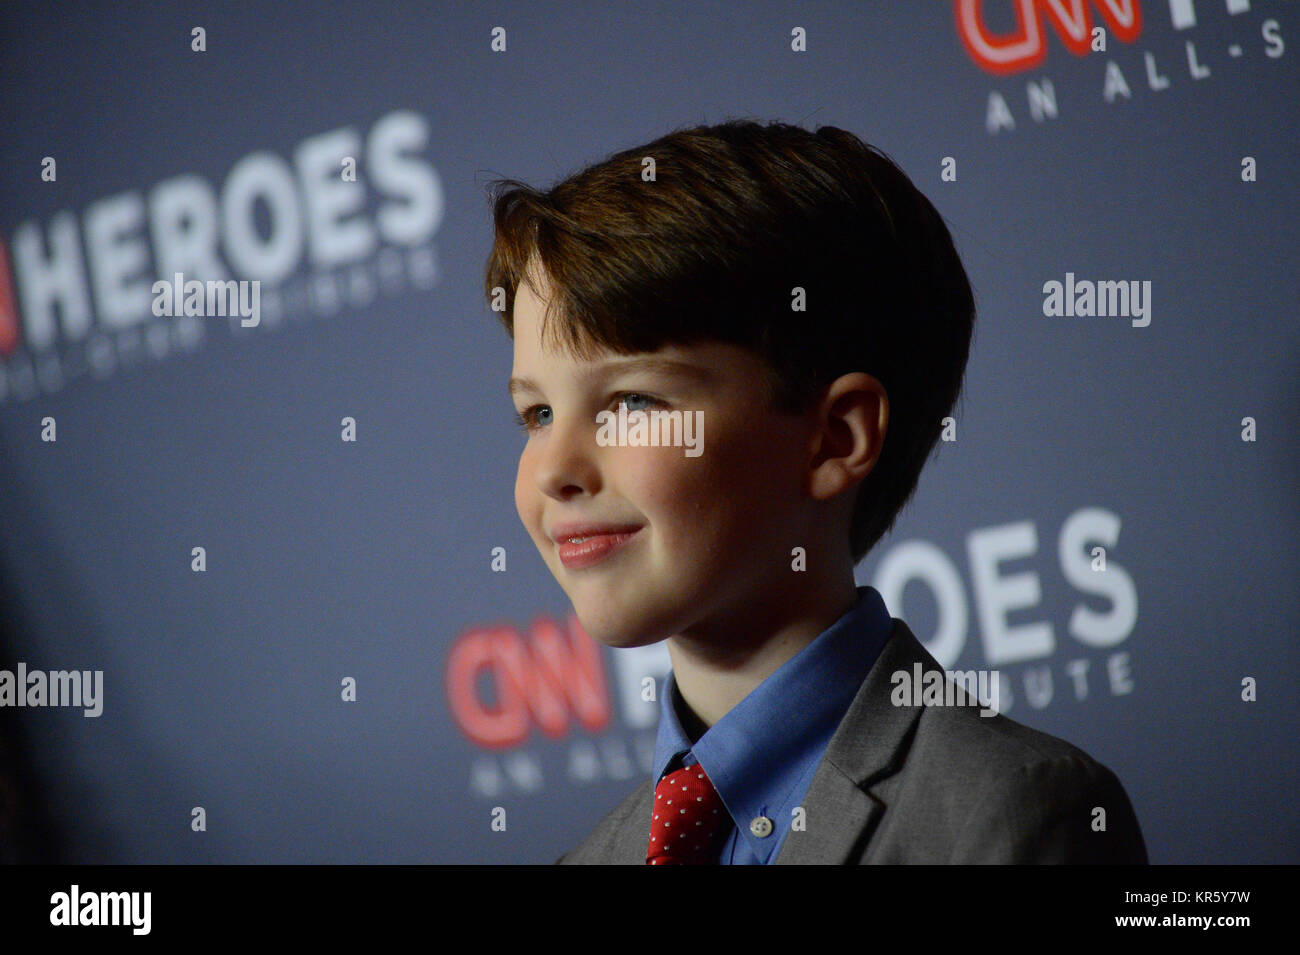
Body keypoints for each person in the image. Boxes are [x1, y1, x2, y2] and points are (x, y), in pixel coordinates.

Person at [483, 119, 1147, 864]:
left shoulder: (1012, 812)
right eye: (536, 413)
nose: (552, 469)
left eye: (633, 402)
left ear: (835, 439)